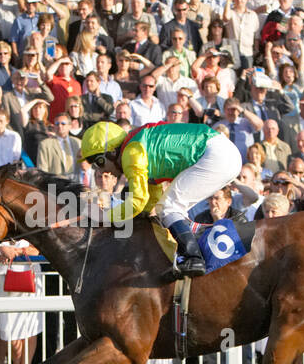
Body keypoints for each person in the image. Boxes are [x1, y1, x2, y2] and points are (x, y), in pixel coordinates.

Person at [79, 119, 243, 278]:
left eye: (98, 163)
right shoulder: (137, 146)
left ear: (111, 153)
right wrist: (142, 216)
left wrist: (105, 217)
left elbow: (138, 200)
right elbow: (152, 195)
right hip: (222, 152)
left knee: (169, 207)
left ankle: (194, 258)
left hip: (216, 155)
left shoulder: (131, 152)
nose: (102, 171)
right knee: (167, 208)